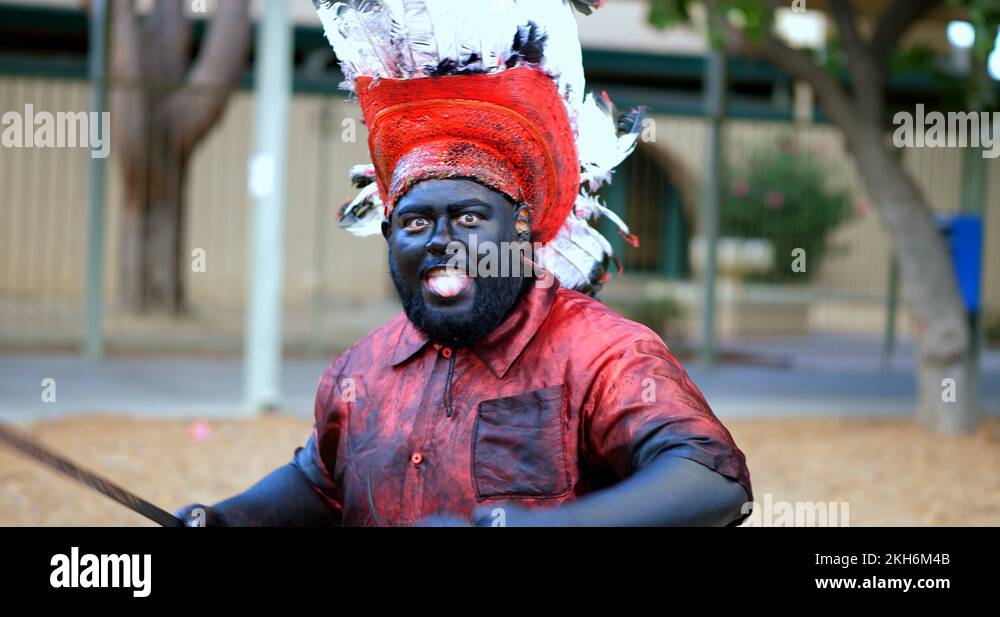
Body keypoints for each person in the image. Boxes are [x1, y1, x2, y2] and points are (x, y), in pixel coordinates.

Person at [177, 0, 751, 527]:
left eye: (470, 219)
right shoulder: (362, 368)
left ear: (521, 232)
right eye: (417, 223)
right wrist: (226, 519)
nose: (441, 241)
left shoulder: (602, 354)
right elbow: (318, 482)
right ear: (387, 235)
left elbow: (713, 481)